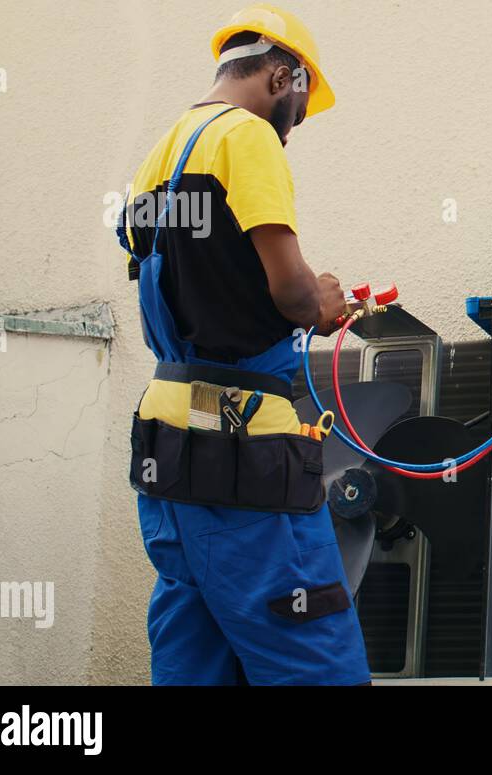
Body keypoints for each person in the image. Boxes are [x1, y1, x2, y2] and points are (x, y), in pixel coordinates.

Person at [114, 4, 369, 685]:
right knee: (313, 650)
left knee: (193, 646)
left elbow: (186, 281)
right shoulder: (248, 138)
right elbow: (288, 292)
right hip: (243, 443)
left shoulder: (160, 151)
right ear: (283, 77)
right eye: (299, 110)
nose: (293, 131)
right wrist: (324, 298)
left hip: (169, 435)